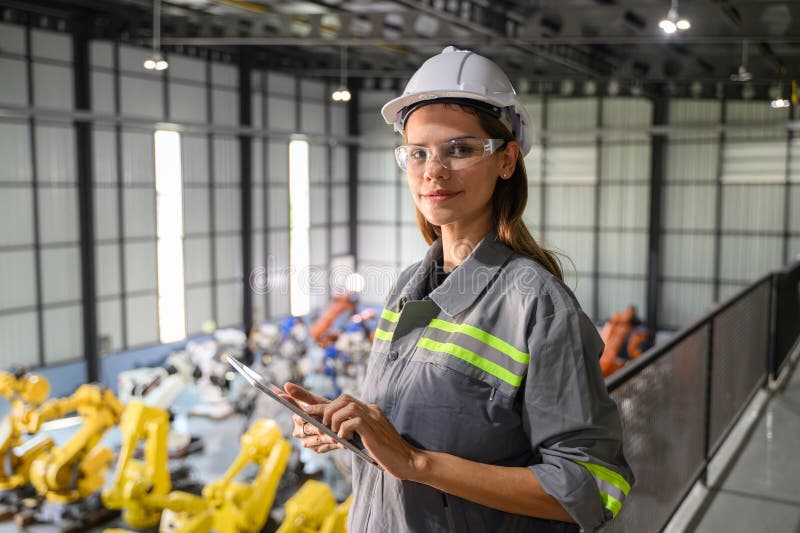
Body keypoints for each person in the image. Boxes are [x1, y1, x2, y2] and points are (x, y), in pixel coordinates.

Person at [283, 46, 634, 533]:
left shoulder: (536, 304)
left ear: (507, 159)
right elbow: (415, 426)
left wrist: (417, 463)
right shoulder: (408, 286)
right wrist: (352, 427)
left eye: (461, 149)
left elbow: (594, 483)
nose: (433, 171)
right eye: (418, 153)